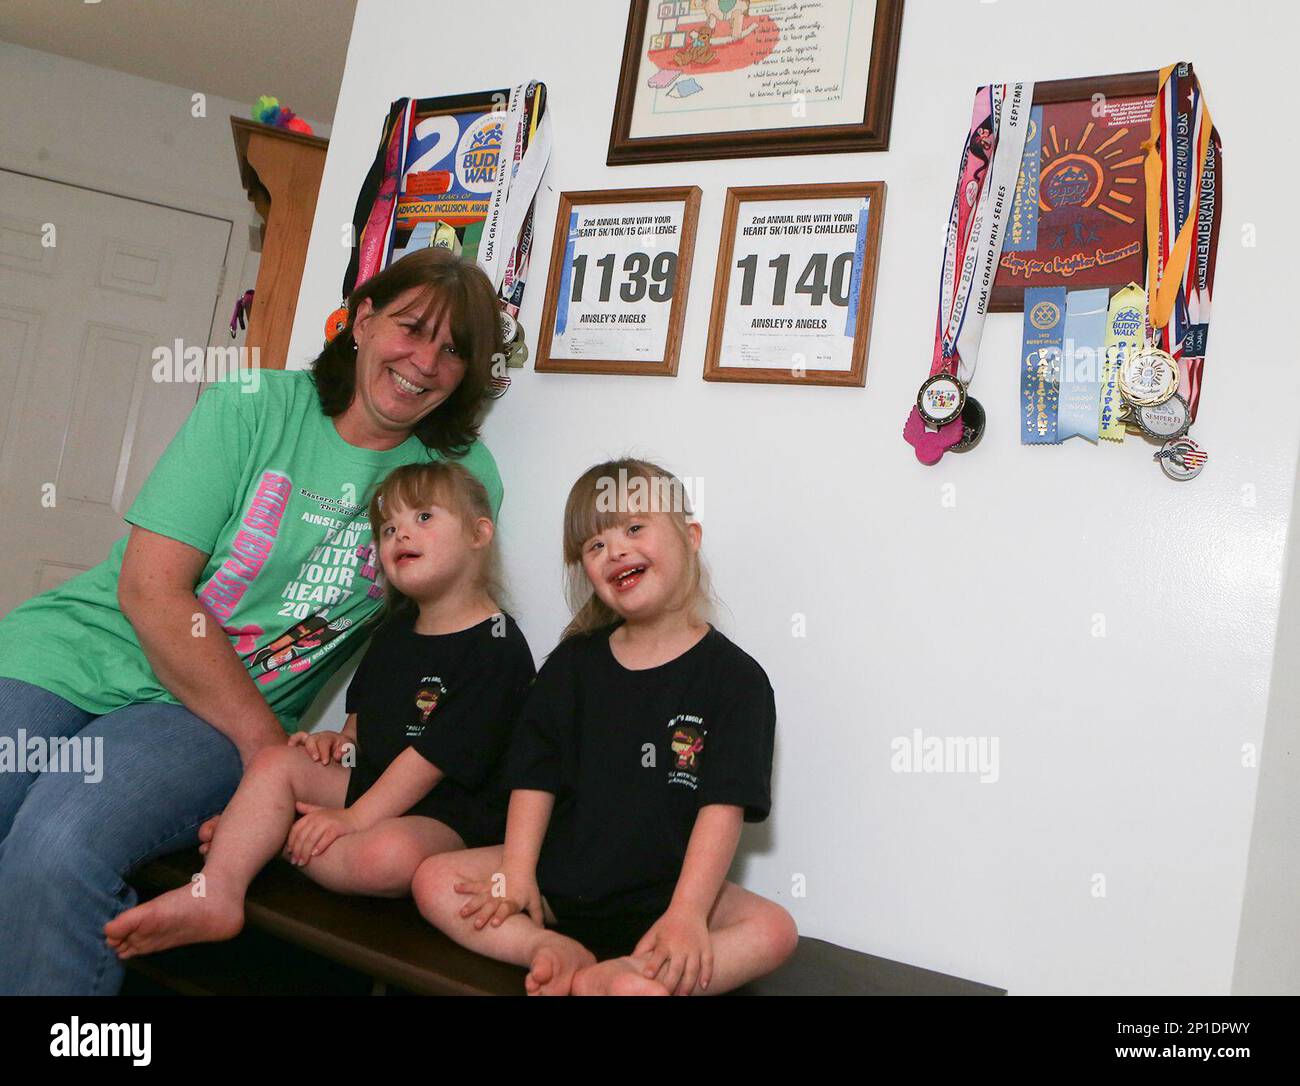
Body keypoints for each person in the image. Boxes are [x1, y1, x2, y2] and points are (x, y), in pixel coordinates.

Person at [0, 246, 506, 995]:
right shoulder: (251, 404)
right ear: (362, 321)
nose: (424, 361)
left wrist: (320, 763)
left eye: (452, 350)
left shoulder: (458, 480)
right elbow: (151, 589)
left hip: (211, 712)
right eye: (410, 328)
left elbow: (439, 643)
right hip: (75, 652)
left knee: (56, 848)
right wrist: (274, 761)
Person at [104, 462, 534, 959]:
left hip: (448, 812)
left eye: (422, 517)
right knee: (276, 762)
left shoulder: (497, 646)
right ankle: (218, 892)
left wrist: (352, 820)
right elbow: (364, 721)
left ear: (479, 533)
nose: (399, 535)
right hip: (371, 785)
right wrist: (342, 745)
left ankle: (266, 837)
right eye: (388, 528)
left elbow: (428, 761)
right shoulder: (394, 632)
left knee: (386, 858)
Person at [411, 458, 798, 996]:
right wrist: (518, 873)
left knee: (775, 930)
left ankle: (633, 974)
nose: (614, 549)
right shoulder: (572, 666)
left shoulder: (737, 680)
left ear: (689, 537)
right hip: (553, 882)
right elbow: (533, 775)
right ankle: (545, 948)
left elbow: (723, 806)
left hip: (668, 895)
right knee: (432, 879)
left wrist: (687, 914)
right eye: (594, 546)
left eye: (634, 528)